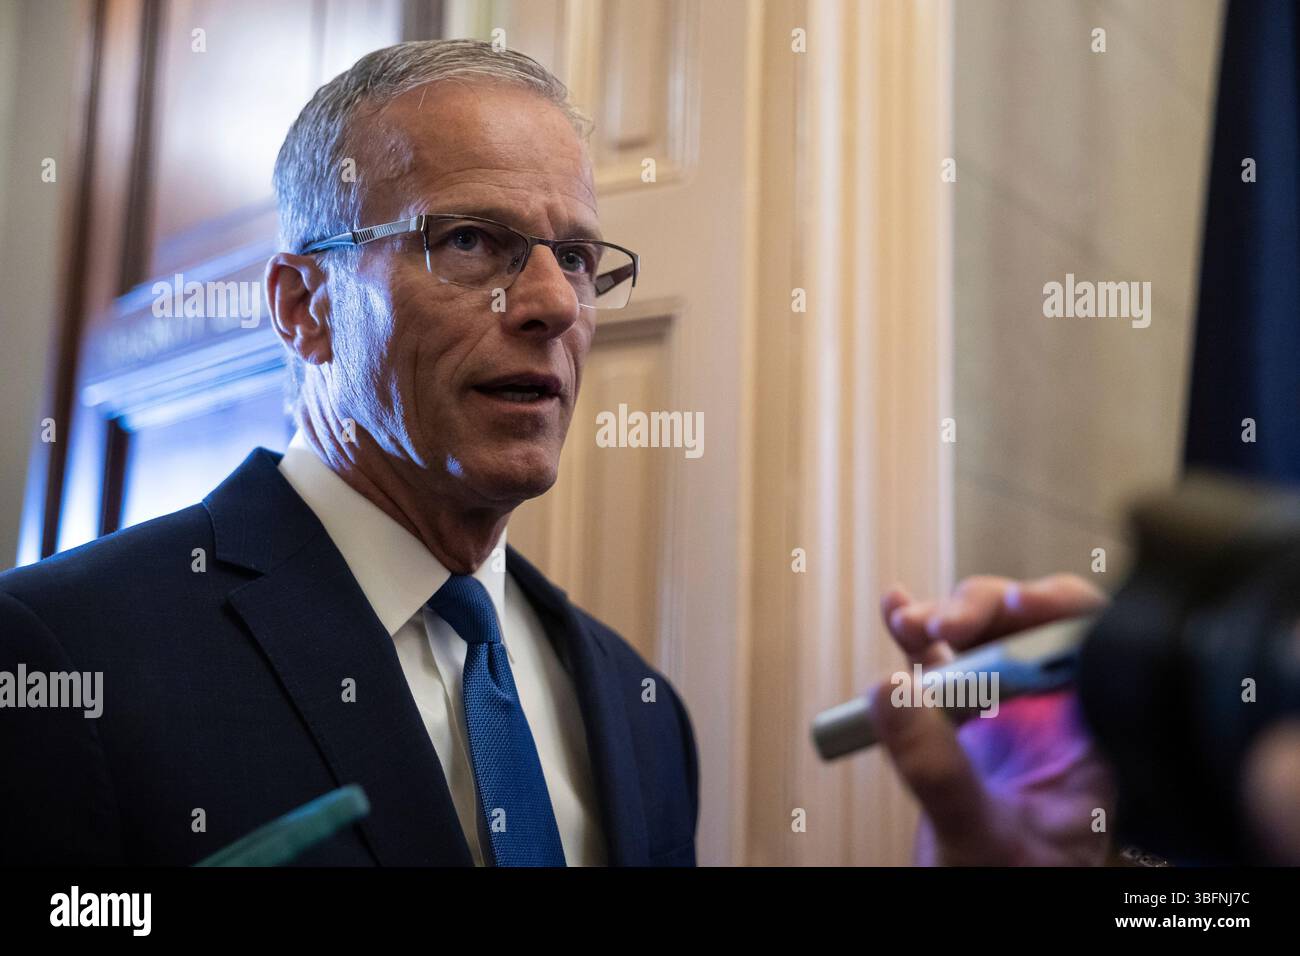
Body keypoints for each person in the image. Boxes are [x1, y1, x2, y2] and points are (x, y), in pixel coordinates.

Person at [0, 39, 696, 867]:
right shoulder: (63, 652)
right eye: (470, 240)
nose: (551, 303)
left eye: (576, 257)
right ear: (304, 306)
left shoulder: (642, 708)